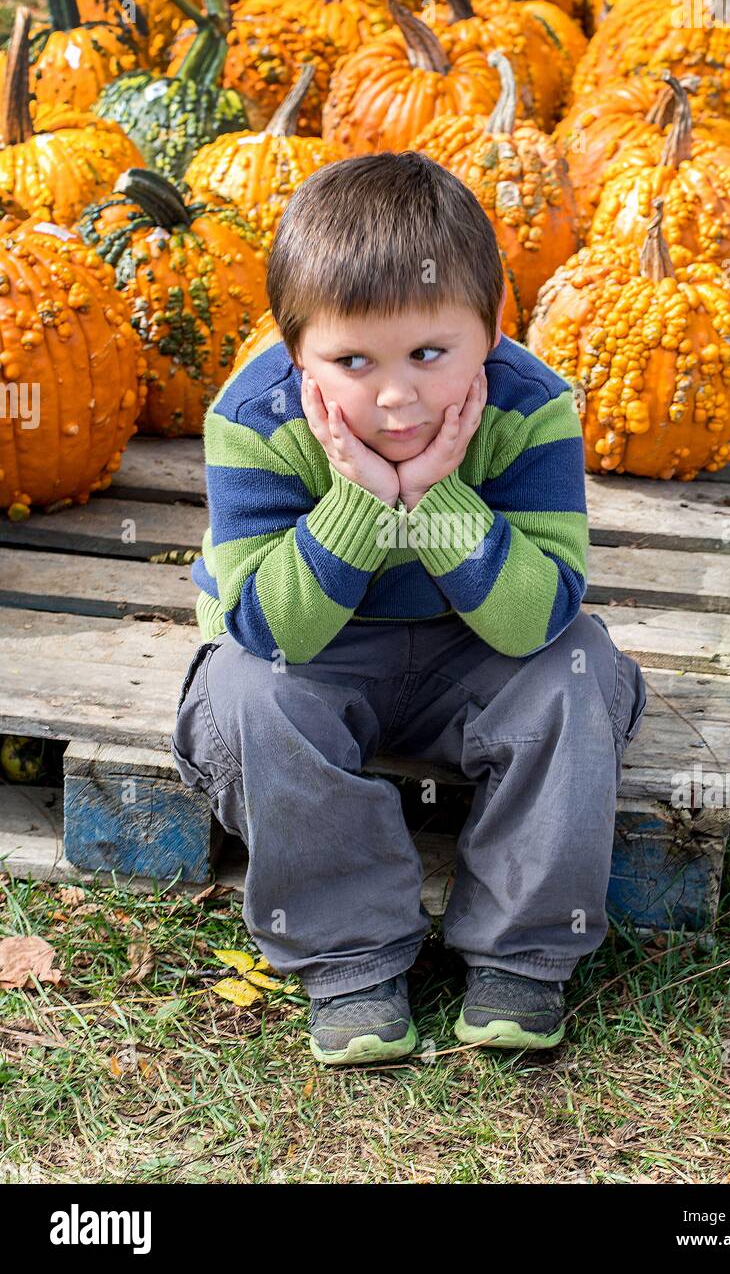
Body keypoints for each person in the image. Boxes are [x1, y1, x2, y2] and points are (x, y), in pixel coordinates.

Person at [171, 151, 647, 1066]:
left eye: (431, 353)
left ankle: (522, 954)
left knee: (572, 673)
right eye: (351, 362)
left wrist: (432, 498)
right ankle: (351, 957)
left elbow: (535, 618)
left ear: (493, 331)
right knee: (247, 697)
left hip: (480, 650)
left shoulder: (531, 406)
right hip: (314, 658)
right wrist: (361, 499)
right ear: (293, 353)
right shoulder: (254, 418)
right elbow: (272, 630)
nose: (396, 396)